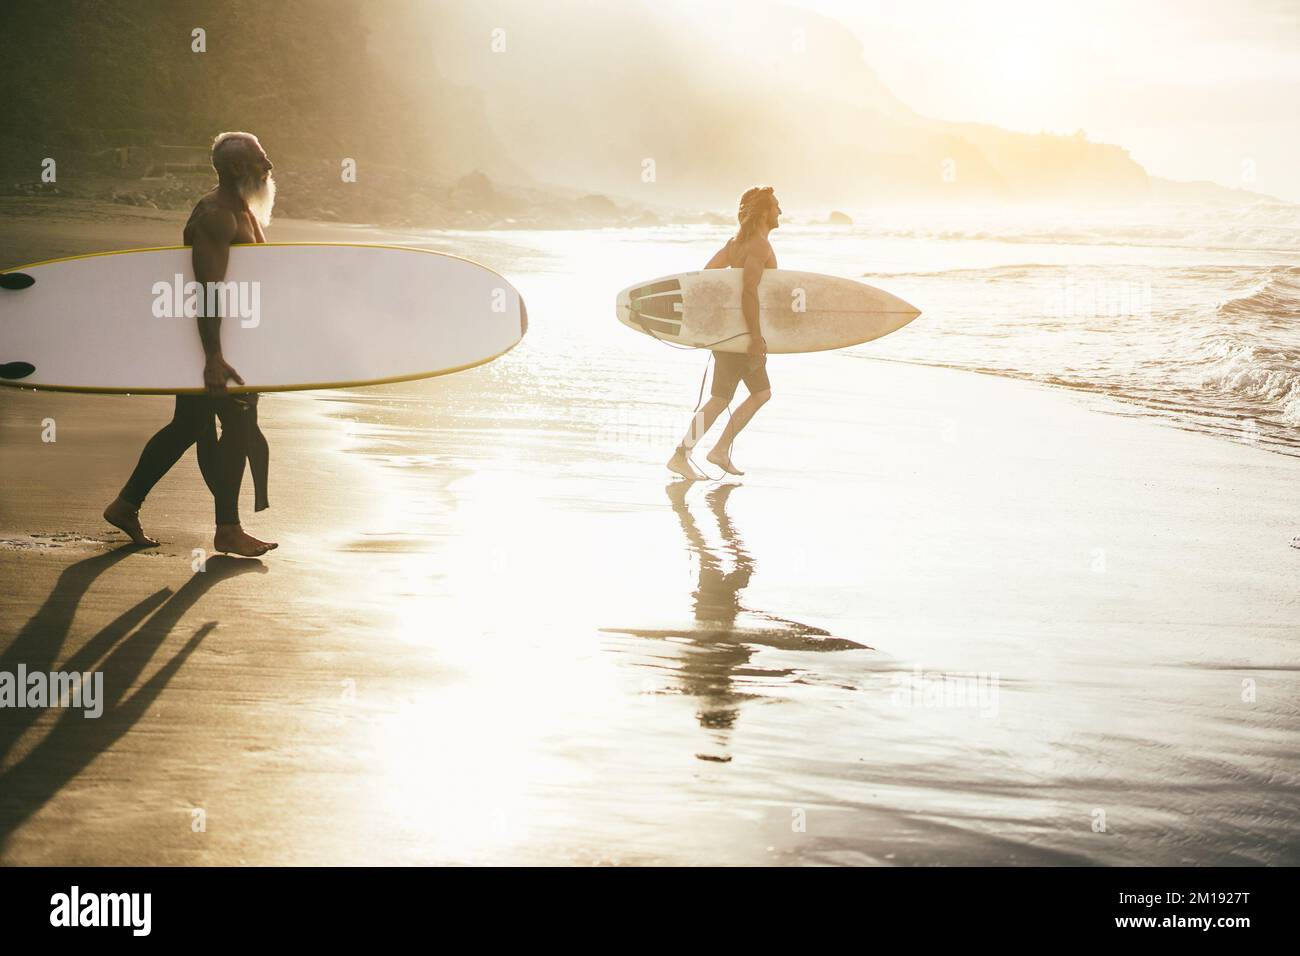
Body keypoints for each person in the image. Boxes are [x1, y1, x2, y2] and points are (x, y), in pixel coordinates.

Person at [102, 131, 278, 557]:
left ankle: (126, 504)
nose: (268, 168)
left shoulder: (243, 212)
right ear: (237, 167)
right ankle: (228, 529)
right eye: (261, 160)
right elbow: (208, 290)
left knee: (187, 426)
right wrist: (213, 358)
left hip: (226, 342)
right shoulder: (217, 215)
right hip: (213, 345)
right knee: (235, 424)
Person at [667, 186, 780, 480]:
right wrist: (755, 336)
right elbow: (749, 291)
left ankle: (690, 453)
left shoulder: (734, 245)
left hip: (730, 335)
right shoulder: (759, 246)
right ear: (764, 213)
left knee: (724, 397)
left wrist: (719, 322)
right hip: (743, 336)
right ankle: (709, 450)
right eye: (776, 206)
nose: (780, 211)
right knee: (759, 393)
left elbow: (705, 278)